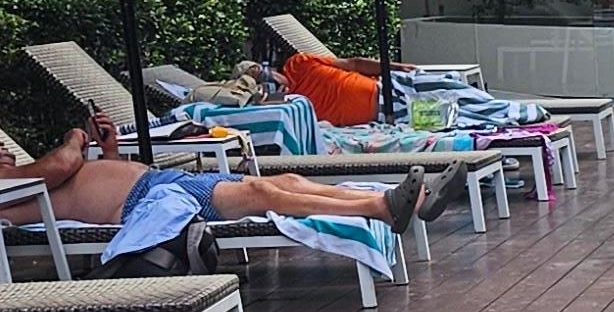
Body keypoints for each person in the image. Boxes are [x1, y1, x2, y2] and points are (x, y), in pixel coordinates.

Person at [23, 111, 447, 261]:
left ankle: (405, 199)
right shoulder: (11, 181)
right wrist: (73, 139)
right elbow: (63, 165)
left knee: (286, 180)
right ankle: (381, 209)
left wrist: (111, 151)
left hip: (161, 181)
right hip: (149, 201)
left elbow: (92, 184)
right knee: (262, 195)